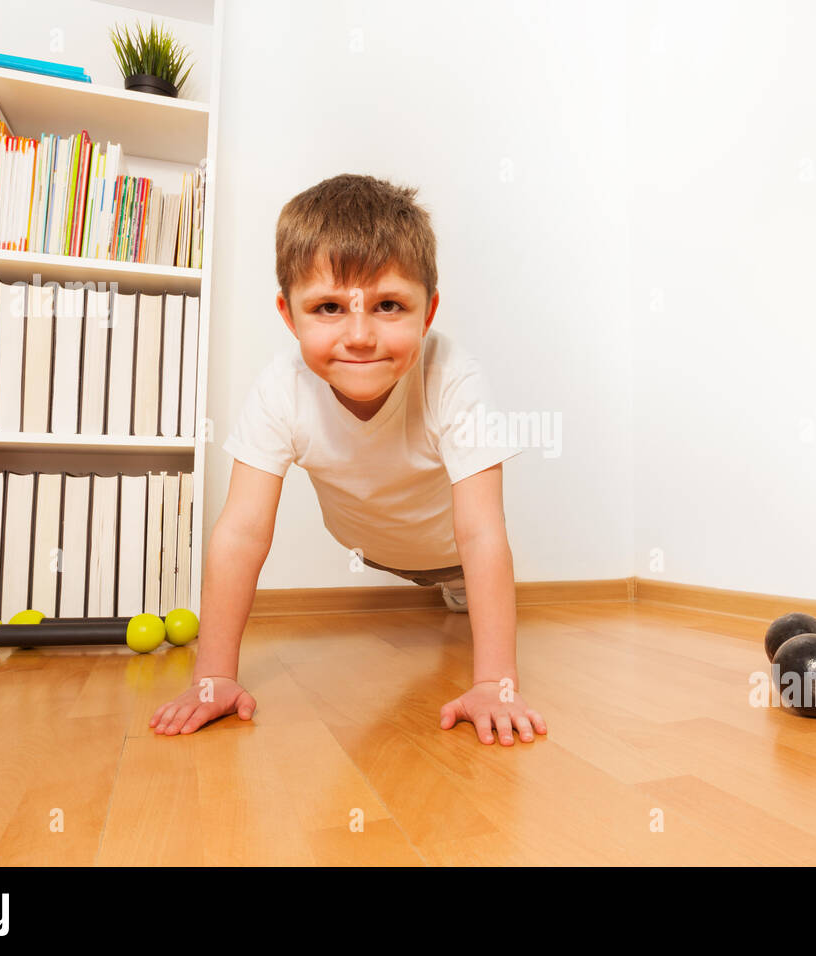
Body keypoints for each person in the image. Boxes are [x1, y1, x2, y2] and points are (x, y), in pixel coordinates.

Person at [149, 174, 547, 747]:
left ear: (428, 311)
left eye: (389, 305)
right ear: (289, 317)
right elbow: (241, 530)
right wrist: (213, 676)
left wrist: (495, 683)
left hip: (449, 552)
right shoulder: (281, 389)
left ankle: (453, 592)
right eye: (329, 307)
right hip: (371, 548)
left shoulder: (451, 376)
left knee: (465, 580)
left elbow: (482, 532)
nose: (359, 336)